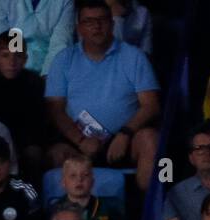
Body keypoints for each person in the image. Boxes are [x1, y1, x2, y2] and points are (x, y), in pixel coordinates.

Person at [45, 0, 160, 194]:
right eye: (89, 21)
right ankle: (62, 219)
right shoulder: (63, 59)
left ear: (112, 24)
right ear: (79, 28)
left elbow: (151, 105)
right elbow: (55, 109)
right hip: (79, 141)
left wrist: (125, 133)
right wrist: (81, 141)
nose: (96, 26)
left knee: (150, 139)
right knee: (55, 154)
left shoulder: (134, 57)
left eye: (102, 20)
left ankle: (148, 213)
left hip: (125, 139)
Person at [0, 29, 50, 177]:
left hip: (26, 141)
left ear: (26, 59)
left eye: (18, 56)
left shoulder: (35, 84)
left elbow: (37, 124)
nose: (12, 62)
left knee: (34, 154)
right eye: (6, 56)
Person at [0, 0, 75, 76]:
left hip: (50, 75)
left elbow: (60, 43)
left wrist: (47, 78)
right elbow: (1, 44)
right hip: (11, 73)